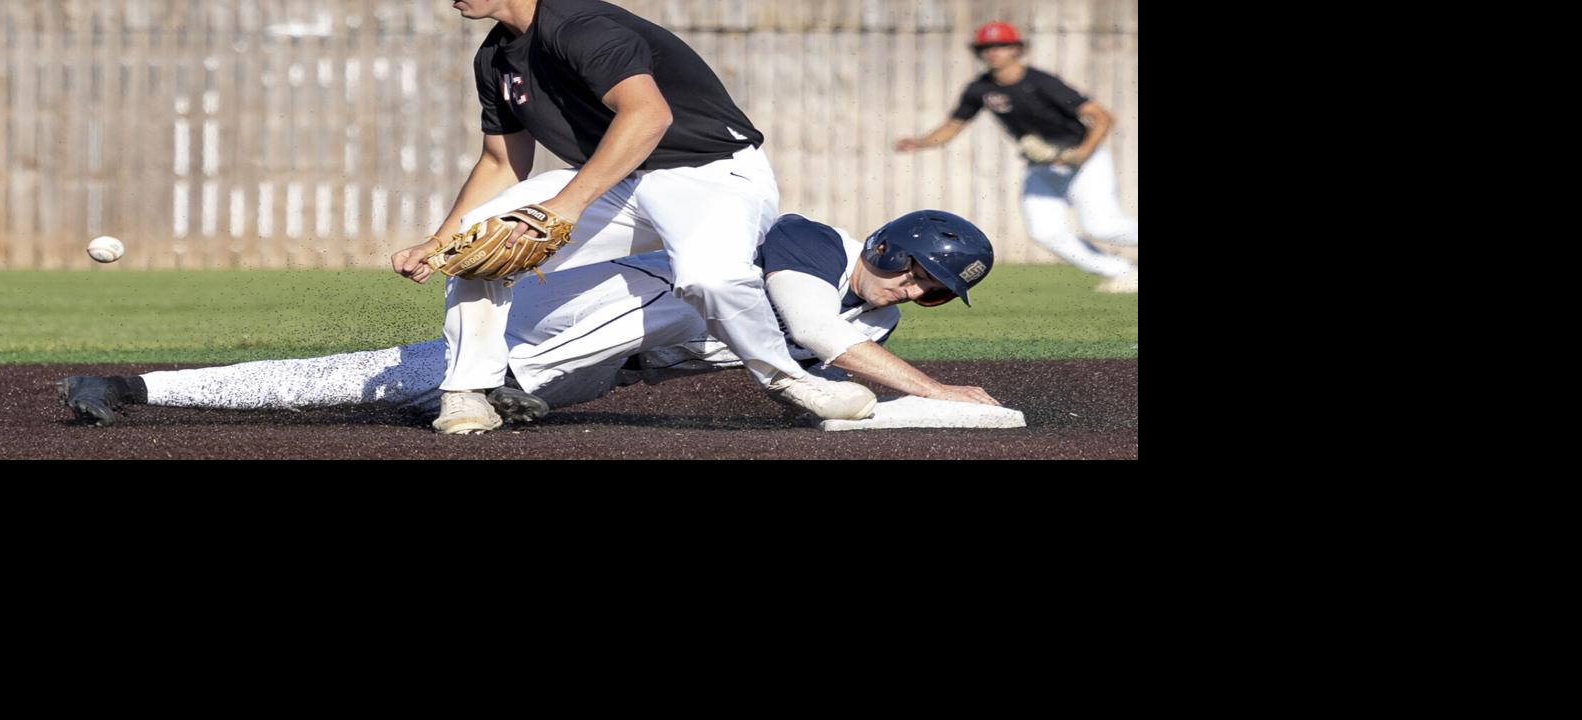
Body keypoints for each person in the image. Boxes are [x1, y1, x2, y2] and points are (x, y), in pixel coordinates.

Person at [388, 0, 872, 434]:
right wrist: (440, 240)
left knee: (708, 278)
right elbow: (500, 161)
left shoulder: (582, 26)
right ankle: (468, 390)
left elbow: (647, 116)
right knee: (481, 240)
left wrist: (567, 205)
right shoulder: (495, 58)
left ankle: (788, 380)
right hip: (618, 176)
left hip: (708, 173)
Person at [58, 211, 1000, 427]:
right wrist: (935, 392)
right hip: (590, 303)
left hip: (596, 363)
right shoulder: (810, 240)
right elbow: (808, 325)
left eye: (933, 294)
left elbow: (832, 389)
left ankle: (137, 387)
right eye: (918, 273)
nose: (915, 293)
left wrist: (916, 403)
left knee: (399, 371)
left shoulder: (876, 337)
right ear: (889, 246)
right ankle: (496, 387)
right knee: (452, 369)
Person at [895, 21, 1139, 293]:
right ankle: (1123, 272)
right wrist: (919, 142)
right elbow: (953, 126)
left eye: (1001, 45)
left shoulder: (1041, 82)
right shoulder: (980, 88)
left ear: (1017, 49)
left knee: (1103, 227)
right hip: (1041, 166)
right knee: (1044, 232)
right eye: (987, 47)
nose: (993, 52)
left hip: (1084, 160)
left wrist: (1080, 154)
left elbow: (1103, 117)